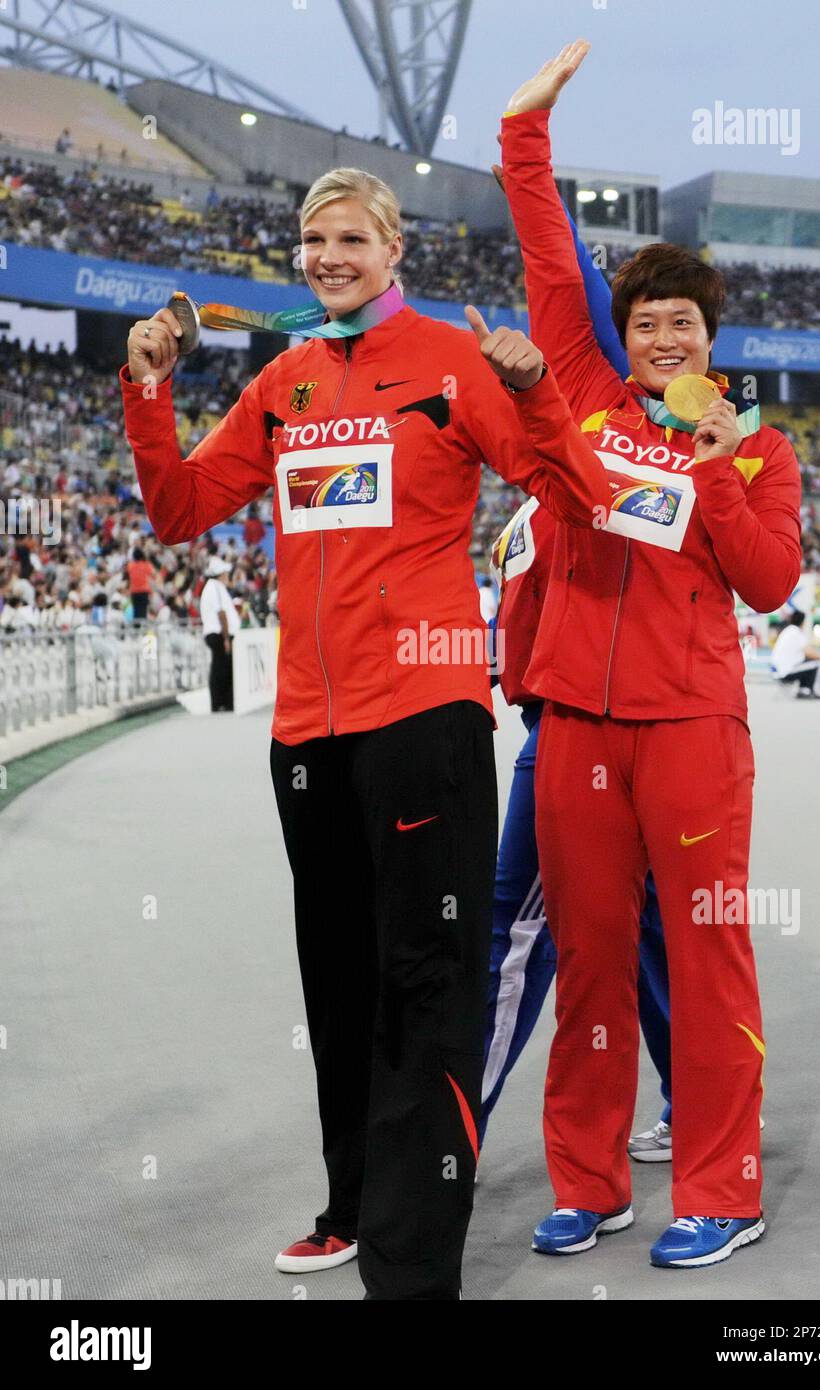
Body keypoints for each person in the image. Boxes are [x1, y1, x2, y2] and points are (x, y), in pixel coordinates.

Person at [119, 163, 611, 1301]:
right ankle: (351, 1203)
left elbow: (571, 489)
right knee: (338, 981)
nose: (328, 256)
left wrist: (535, 388)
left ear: (394, 252)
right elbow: (183, 507)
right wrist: (149, 394)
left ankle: (410, 1258)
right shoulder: (285, 381)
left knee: (425, 979)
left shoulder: (451, 363)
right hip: (307, 732)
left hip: (424, 717)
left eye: (350, 238)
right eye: (311, 239)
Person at [498, 41, 802, 1268]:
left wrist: (722, 461)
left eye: (681, 322)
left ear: (708, 338)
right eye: (645, 322)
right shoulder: (580, 394)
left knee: (708, 956)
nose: (662, 336)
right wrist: (526, 134)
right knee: (587, 967)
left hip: (691, 734)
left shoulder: (758, 450)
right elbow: (541, 255)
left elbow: (771, 584)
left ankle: (720, 1188)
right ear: (617, 337)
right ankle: (589, 1181)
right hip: (573, 725)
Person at [478, 184, 673, 1158]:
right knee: (628, 932)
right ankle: (693, 1100)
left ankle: (444, 1135)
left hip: (585, 728)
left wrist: (540, 187)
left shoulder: (610, 439)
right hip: (549, 717)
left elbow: (578, 310)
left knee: (513, 926)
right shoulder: (530, 498)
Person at [200, 557, 239, 712]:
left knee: (223, 667)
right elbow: (221, 613)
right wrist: (226, 638)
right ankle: (219, 703)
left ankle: (223, 702)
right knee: (220, 669)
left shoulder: (215, 587)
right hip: (218, 633)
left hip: (219, 633)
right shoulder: (215, 587)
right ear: (221, 574)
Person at [771, 610, 820, 698]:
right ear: (803, 622)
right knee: (819, 663)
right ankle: (816, 691)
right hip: (786, 672)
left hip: (778, 670)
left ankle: (804, 691)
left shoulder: (788, 630)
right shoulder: (795, 632)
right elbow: (809, 652)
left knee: (808, 663)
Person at [126, 545, 155, 622]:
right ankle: (142, 630)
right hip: (144, 591)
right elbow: (153, 574)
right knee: (143, 611)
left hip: (134, 591)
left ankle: (136, 629)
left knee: (136, 611)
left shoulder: (130, 565)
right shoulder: (146, 565)